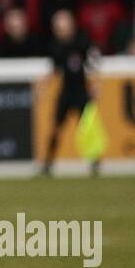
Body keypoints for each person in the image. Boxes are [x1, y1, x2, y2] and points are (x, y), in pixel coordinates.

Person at [39, 10, 100, 177]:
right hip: (66, 93)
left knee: (87, 129)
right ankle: (48, 163)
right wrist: (45, 83)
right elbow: (55, 68)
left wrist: (95, 85)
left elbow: (93, 65)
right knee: (56, 128)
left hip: (82, 93)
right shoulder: (56, 46)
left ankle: (94, 161)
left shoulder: (82, 42)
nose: (60, 30)